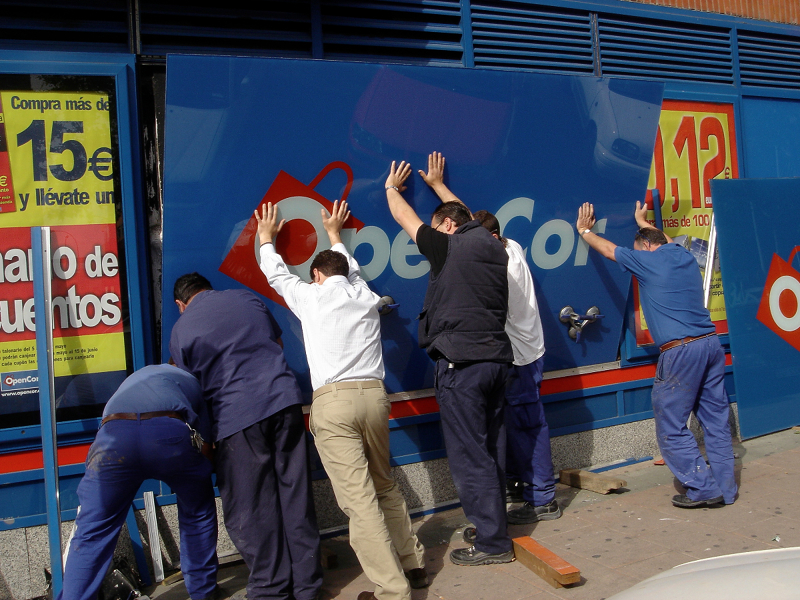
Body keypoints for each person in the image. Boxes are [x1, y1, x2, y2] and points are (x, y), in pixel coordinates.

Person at [254, 199, 427, 600]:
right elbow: (353, 271)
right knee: (384, 484)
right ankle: (413, 564)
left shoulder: (310, 297)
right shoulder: (364, 296)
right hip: (374, 398)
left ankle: (392, 590)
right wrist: (334, 234)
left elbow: (276, 274)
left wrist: (265, 238)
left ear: (316, 275)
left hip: (334, 404)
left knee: (359, 501)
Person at [385, 156, 515, 567]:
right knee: (491, 449)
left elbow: (405, 219)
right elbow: (468, 218)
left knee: (470, 455)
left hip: (462, 364)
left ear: (445, 226)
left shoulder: (447, 246)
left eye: (437, 225)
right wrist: (440, 186)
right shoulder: (494, 247)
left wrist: (390, 189)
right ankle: (493, 526)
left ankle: (493, 543)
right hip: (497, 361)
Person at [576, 200, 737, 508]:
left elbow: (609, 250)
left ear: (647, 248)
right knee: (716, 422)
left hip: (680, 352)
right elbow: (661, 240)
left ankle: (703, 489)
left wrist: (584, 231)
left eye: (639, 248)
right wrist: (643, 223)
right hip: (710, 345)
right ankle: (726, 490)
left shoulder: (648, 261)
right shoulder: (682, 254)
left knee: (671, 425)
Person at [170, 274, 322, 600]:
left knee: (252, 508)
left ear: (180, 304)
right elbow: (277, 345)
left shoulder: (182, 329)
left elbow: (190, 391)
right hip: (284, 402)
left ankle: (271, 590)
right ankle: (307, 587)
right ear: (208, 288)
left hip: (235, 418)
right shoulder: (246, 298)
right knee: (295, 496)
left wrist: (206, 439)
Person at [59, 364, 218, 600]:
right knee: (197, 512)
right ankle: (203, 592)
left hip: (113, 438)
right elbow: (205, 447)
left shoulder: (137, 378)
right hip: (168, 432)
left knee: (93, 531)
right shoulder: (190, 380)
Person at [472, 209, 559, 525]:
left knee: (528, 428)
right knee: (511, 426)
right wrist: (440, 187)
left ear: (493, 238)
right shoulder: (512, 246)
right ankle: (520, 483)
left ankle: (543, 499)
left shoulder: (503, 269)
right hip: (525, 354)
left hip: (520, 359)